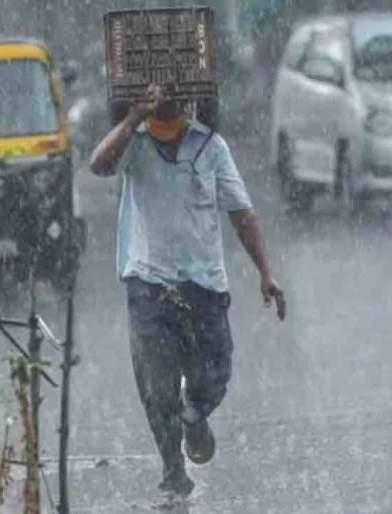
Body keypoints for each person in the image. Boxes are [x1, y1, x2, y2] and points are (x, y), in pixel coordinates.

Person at [88, 84, 286, 502]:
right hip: (148, 282)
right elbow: (99, 165)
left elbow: (242, 213)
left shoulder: (211, 147)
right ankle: (173, 473)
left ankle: (195, 413)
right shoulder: (134, 144)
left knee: (215, 373)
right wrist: (132, 119)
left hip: (203, 284)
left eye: (171, 91)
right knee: (155, 387)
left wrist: (266, 273)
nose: (164, 97)